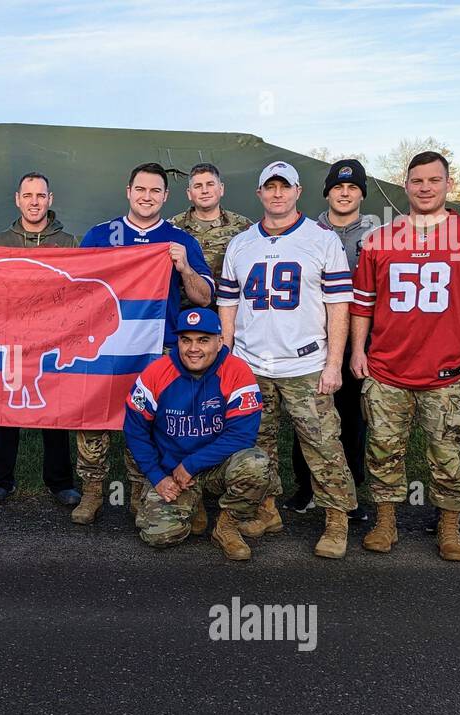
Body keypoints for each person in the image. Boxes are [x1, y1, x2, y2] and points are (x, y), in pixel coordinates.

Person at [350, 151, 460, 561]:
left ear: (448, 184)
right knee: (383, 451)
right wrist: (357, 351)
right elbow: (363, 304)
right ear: (405, 185)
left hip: (449, 370)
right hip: (388, 369)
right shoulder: (380, 239)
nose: (425, 187)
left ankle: (450, 527)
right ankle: (386, 521)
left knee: (450, 456)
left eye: (433, 180)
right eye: (417, 180)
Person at [217, 161, 357, 559]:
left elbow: (338, 305)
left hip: (305, 363)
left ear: (298, 192)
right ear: (259, 194)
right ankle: (266, 510)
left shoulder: (321, 239)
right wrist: (227, 355)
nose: (277, 194)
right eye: (269, 187)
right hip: (252, 363)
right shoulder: (242, 243)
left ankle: (336, 519)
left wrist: (334, 363)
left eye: (285, 187)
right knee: (257, 444)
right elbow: (228, 300)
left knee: (323, 444)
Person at [72, 162, 213, 526]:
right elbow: (74, 292)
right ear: (128, 191)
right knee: (93, 418)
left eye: (154, 191)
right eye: (141, 189)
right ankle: (92, 490)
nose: (146, 197)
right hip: (104, 346)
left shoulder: (180, 240)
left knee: (148, 420)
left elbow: (203, 297)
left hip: (156, 347)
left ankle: (139, 489)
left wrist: (184, 269)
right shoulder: (100, 235)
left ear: (165, 196)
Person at [124, 308, 272, 559]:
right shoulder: (156, 372)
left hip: (217, 467)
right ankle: (193, 504)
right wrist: (158, 477)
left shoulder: (237, 371)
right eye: (186, 340)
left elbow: (241, 436)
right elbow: (135, 430)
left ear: (220, 341)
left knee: (255, 464)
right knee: (159, 535)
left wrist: (192, 465)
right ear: (177, 342)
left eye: (203, 340)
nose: (193, 348)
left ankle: (227, 526)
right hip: (172, 470)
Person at [286, 159, 379, 518]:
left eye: (352, 188)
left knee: (352, 417)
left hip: (358, 335)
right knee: (307, 415)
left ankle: (350, 491)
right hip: (312, 336)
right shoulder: (305, 231)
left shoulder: (375, 233)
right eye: (338, 187)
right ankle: (306, 488)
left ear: (361, 194)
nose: (344, 193)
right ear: (327, 192)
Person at [0, 172, 81, 506]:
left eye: (41, 196)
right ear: (17, 199)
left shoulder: (69, 243)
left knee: (54, 409)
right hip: (10, 340)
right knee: (6, 410)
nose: (34, 202)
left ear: (50, 200)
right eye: (28, 196)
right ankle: (2, 479)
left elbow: (78, 290)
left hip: (51, 340)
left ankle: (60, 482)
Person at [168, 162, 253, 296]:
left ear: (221, 189)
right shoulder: (172, 228)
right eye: (198, 186)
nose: (205, 190)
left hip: (230, 307)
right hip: (183, 310)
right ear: (189, 193)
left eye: (210, 184)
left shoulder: (244, 227)